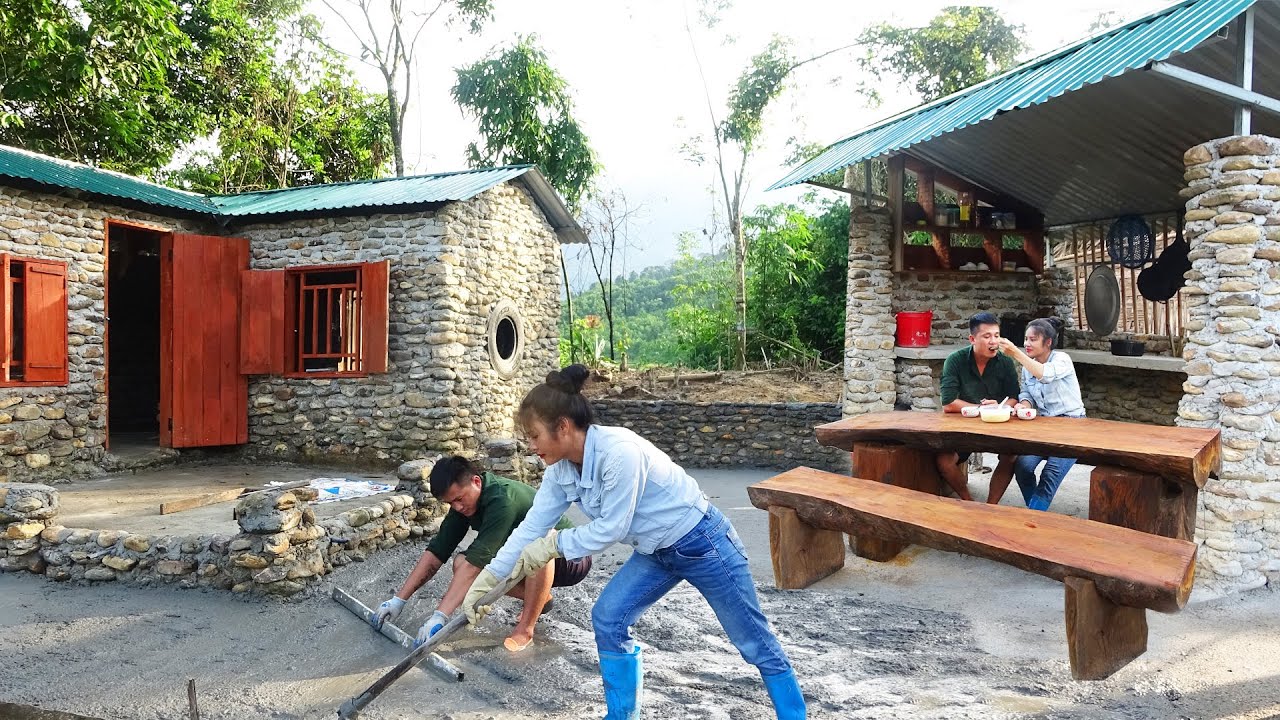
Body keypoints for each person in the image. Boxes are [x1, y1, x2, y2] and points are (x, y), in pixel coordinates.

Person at [461, 365, 806, 720]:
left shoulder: (619, 451)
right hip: (655, 552)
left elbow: (611, 527)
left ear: (562, 426)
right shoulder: (561, 471)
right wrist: (489, 580)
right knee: (609, 617)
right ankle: (621, 716)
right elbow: (529, 529)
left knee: (752, 641)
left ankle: (794, 715)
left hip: (703, 542)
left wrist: (554, 546)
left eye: (534, 436)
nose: (531, 446)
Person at [373, 456, 592, 652]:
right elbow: (436, 554)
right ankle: (539, 599)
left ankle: (525, 628)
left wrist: (439, 617)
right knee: (460, 561)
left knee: (539, 544)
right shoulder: (463, 507)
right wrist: (398, 600)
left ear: (476, 482)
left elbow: (475, 566)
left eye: (459, 499)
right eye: (451, 503)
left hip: (570, 559)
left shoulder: (502, 499)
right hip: (525, 557)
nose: (457, 507)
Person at [994, 317, 1085, 511]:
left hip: (1073, 426)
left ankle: (1033, 516)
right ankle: (1036, 511)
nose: (1027, 343)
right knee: (1023, 466)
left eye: (1033, 339)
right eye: (1026, 339)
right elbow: (1027, 393)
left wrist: (1016, 353)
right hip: (1044, 426)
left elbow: (1044, 374)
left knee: (1050, 472)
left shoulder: (1061, 359)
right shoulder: (1029, 365)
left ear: (1048, 342)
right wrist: (1023, 405)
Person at [938, 311, 1021, 501]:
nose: (993, 341)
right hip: (963, 427)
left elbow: (1014, 397)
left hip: (999, 425)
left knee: (1011, 456)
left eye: (997, 335)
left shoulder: (1006, 362)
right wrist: (982, 409)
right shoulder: (955, 360)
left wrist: (1000, 408)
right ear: (972, 339)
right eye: (987, 336)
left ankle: (990, 506)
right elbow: (948, 403)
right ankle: (969, 501)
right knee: (944, 460)